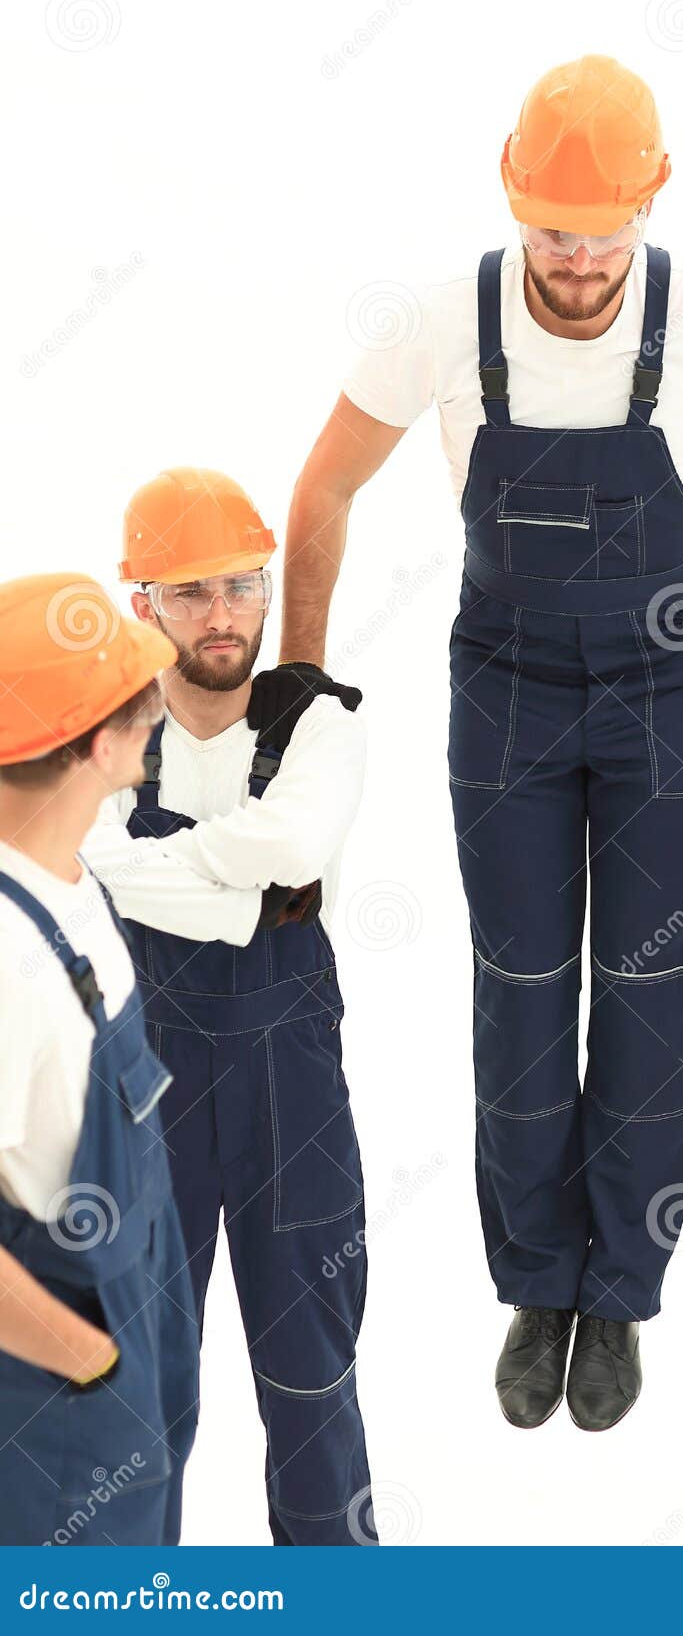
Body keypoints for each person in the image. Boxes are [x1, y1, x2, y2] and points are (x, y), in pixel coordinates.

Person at [249, 54, 683, 1432]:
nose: (580, 260)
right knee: (521, 986)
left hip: (668, 693)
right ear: (509, 198)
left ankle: (621, 1295)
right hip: (506, 689)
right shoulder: (444, 321)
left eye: (603, 233)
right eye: (553, 231)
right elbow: (324, 485)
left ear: (652, 205)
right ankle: (538, 1284)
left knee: (650, 990)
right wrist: (298, 661)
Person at [80, 467, 376, 1545]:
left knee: (309, 1375)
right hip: (142, 1086)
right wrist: (243, 893)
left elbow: (292, 843)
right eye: (191, 590)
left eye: (242, 585)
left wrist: (154, 872)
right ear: (143, 604)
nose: (222, 614)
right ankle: (120, 1600)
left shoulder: (320, 723)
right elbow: (89, 863)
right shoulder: (104, 726)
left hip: (288, 1089)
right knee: (136, 1381)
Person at [0, 572, 198, 1545]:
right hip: (62, 1355)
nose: (157, 706)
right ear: (92, 744)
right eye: (137, 697)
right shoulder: (7, 960)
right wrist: (89, 1359)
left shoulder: (70, 872)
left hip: (142, 1272)